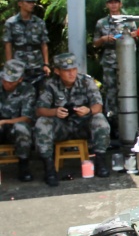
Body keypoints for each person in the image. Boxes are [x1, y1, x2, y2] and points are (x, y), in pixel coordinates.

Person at [35, 52, 112, 185]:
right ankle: (49, 168)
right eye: (67, 70)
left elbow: (98, 106)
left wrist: (88, 110)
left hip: (83, 125)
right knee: (42, 123)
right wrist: (55, 112)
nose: (71, 73)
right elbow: (39, 110)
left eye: (74, 69)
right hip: (62, 126)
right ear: (57, 71)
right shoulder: (50, 85)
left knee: (99, 119)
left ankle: (100, 162)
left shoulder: (86, 81)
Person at [91, 0, 139, 128]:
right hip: (109, 61)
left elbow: (137, 36)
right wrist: (103, 39)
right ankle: (112, 122)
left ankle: (128, 122)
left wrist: (131, 35)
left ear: (120, 4)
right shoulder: (101, 23)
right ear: (107, 5)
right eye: (111, 2)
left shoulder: (129, 20)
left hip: (126, 60)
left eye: (116, 2)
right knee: (111, 91)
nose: (113, 5)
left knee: (127, 90)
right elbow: (95, 43)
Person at [3, 0, 50, 88]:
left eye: (33, 2)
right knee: (20, 90)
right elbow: (8, 44)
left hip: (37, 63)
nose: (32, 4)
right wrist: (10, 65)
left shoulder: (39, 22)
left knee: (40, 90)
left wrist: (46, 64)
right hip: (19, 62)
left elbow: (44, 43)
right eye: (28, 2)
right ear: (20, 3)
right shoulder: (11, 23)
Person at [0, 59, 36, 182]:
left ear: (20, 79)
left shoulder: (28, 90)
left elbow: (27, 118)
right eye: (4, 79)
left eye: (11, 82)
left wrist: (4, 122)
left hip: (14, 126)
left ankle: (24, 165)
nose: (6, 83)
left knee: (22, 128)